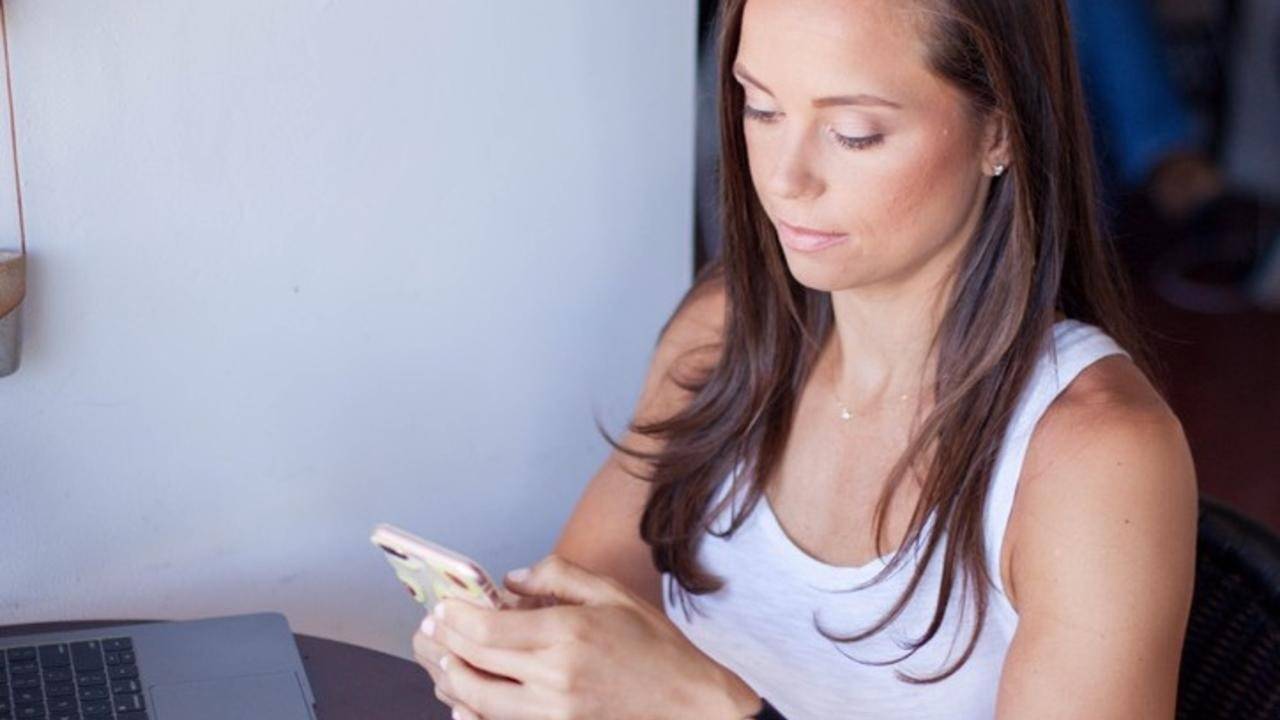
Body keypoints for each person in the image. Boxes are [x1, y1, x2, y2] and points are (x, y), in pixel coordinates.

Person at [412, 0, 1199, 718]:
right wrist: (513, 664)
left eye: (854, 132)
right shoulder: (724, 334)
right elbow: (582, 607)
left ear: (999, 130)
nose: (784, 180)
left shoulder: (1093, 457)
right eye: (760, 108)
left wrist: (707, 709)